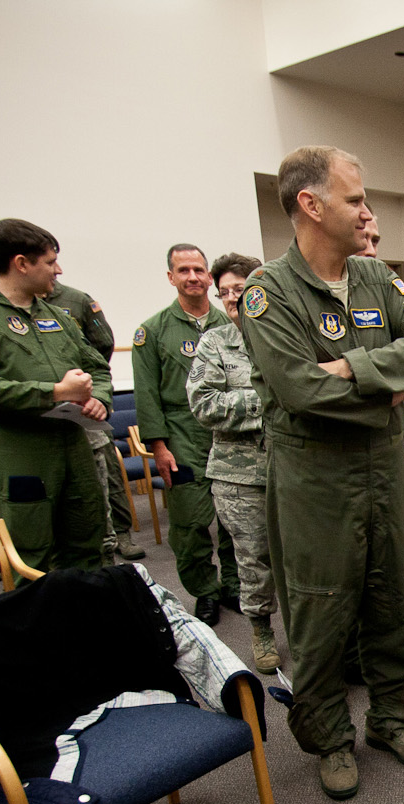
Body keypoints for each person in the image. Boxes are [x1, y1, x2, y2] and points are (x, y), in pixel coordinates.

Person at [239, 145, 404, 799]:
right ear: (310, 203)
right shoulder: (268, 291)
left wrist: (351, 369)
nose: (367, 211)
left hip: (382, 468)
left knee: (393, 601)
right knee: (321, 612)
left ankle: (392, 719)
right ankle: (329, 737)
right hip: (314, 479)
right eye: (355, 198)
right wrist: (385, 384)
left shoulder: (376, 279)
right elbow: (299, 393)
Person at [0, 218, 112, 571]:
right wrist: (56, 392)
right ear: (21, 263)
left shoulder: (56, 316)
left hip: (72, 447)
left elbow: (97, 366)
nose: (57, 270)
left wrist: (100, 398)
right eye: (49, 262)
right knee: (32, 555)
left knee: (87, 546)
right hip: (19, 453)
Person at [186, 253, 281, 675]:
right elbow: (204, 405)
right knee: (253, 558)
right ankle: (261, 630)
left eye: (238, 290)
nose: (229, 299)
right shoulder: (216, 342)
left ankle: (310, 634)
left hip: (294, 469)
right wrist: (267, 401)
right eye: (223, 292)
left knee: (301, 558)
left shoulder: (284, 336)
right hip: (240, 476)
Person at [133, 245, 238, 624]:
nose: (192, 276)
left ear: (209, 277)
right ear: (171, 277)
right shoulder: (153, 331)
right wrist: (158, 447)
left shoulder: (230, 325)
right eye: (184, 270)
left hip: (228, 433)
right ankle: (205, 592)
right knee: (191, 523)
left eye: (199, 269)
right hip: (180, 437)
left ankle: (234, 587)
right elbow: (146, 395)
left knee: (232, 518)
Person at [46, 276, 144, 563]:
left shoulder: (75, 301)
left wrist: (92, 390)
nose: (57, 270)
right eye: (50, 262)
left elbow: (101, 346)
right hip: (46, 414)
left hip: (84, 405)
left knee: (107, 473)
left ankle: (120, 534)